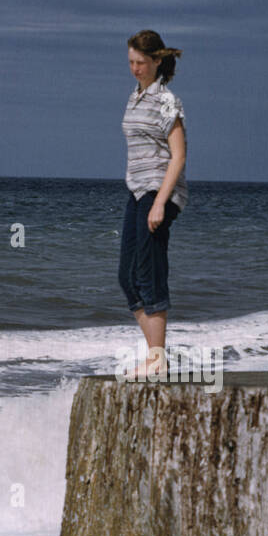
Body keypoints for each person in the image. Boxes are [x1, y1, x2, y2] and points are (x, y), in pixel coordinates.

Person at [118, 29, 188, 380]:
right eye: (131, 62)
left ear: (157, 61)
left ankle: (157, 361)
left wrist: (160, 202)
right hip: (136, 192)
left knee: (149, 274)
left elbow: (178, 155)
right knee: (127, 278)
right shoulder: (135, 96)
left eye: (141, 63)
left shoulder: (166, 100)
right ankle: (156, 358)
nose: (135, 69)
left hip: (158, 193)